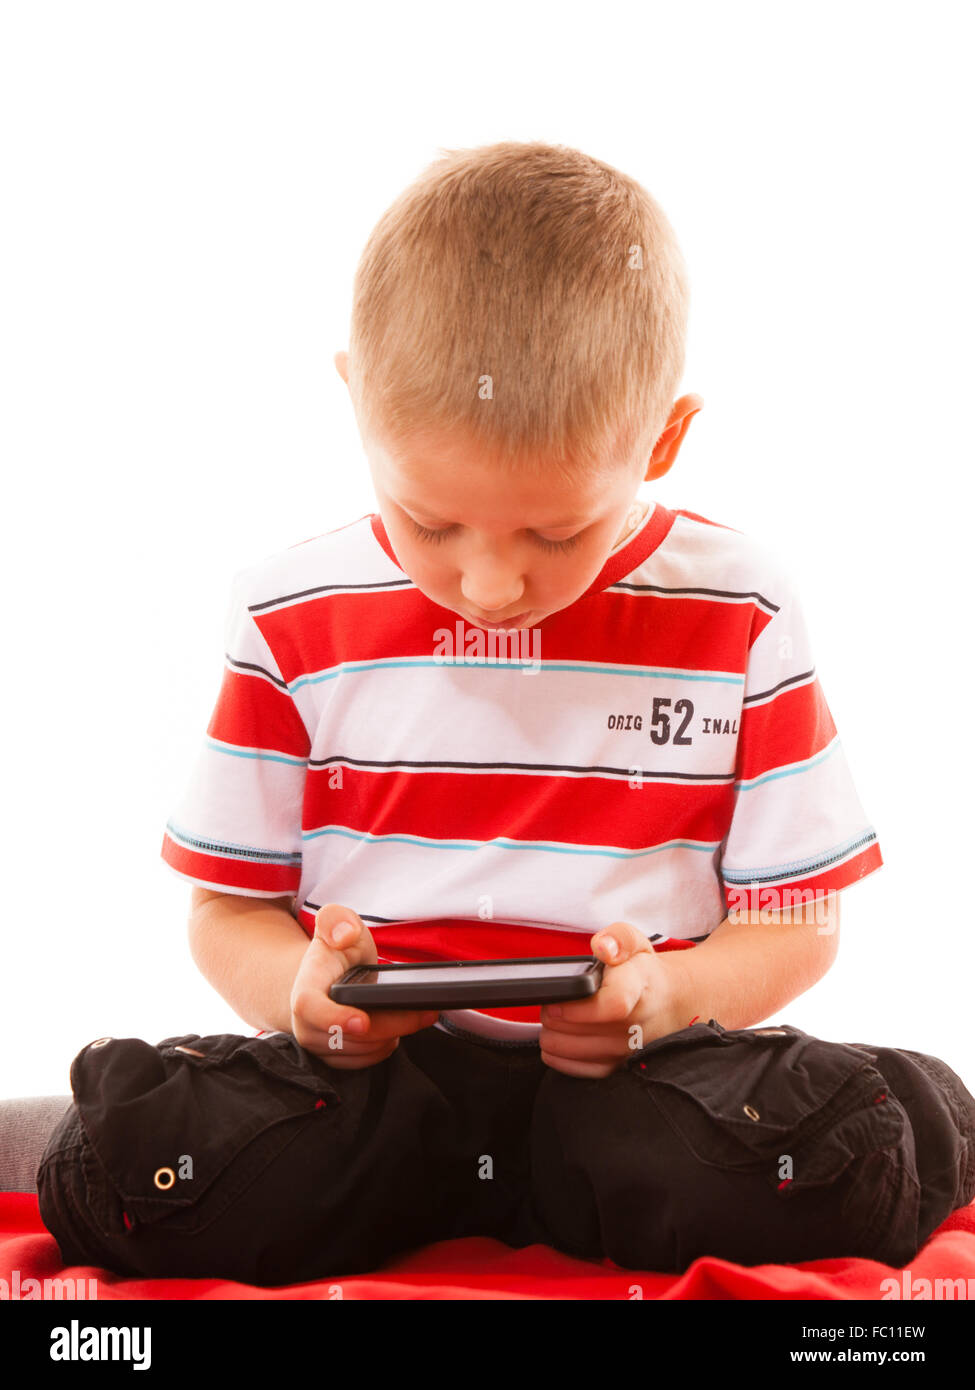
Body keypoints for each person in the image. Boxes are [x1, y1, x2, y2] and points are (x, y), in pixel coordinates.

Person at [11, 141, 975, 1285]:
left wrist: (672, 995)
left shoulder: (740, 605)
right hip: (380, 1094)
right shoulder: (292, 612)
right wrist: (303, 997)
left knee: (816, 1162)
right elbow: (228, 908)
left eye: (555, 533)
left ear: (660, 441)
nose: (489, 586)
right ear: (356, 399)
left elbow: (796, 915)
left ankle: (913, 1115)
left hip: (643, 1085)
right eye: (431, 522)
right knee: (132, 1177)